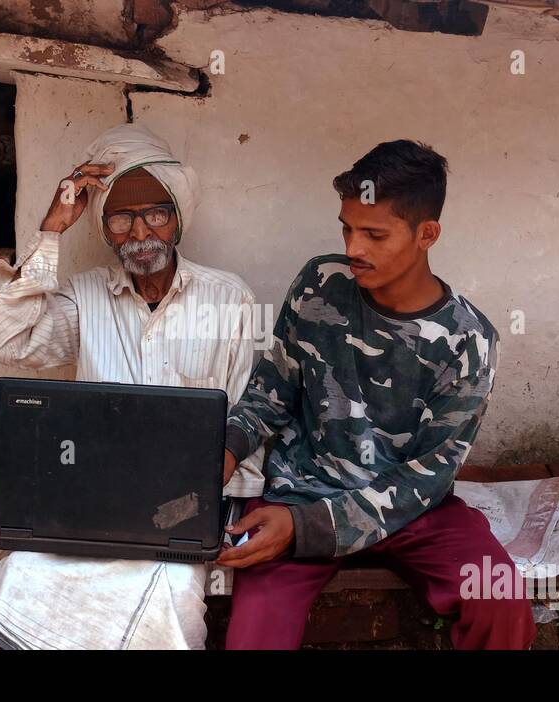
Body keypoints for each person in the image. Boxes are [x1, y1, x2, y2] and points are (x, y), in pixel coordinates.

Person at [218, 140, 535, 650]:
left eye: (374, 234)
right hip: (303, 492)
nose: (353, 249)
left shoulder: (467, 341)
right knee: (253, 638)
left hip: (409, 510)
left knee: (501, 602)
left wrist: (307, 528)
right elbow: (270, 392)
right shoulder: (321, 284)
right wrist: (226, 450)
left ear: (427, 234)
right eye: (347, 228)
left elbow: (428, 476)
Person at [0, 123, 263, 650]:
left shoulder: (229, 299)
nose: (140, 231)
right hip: (91, 507)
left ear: (178, 219)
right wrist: (51, 231)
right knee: (27, 572)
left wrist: (215, 506)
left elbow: (249, 415)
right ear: (105, 230)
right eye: (121, 217)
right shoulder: (84, 297)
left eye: (157, 214)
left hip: (185, 509)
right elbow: (8, 343)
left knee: (172, 589)